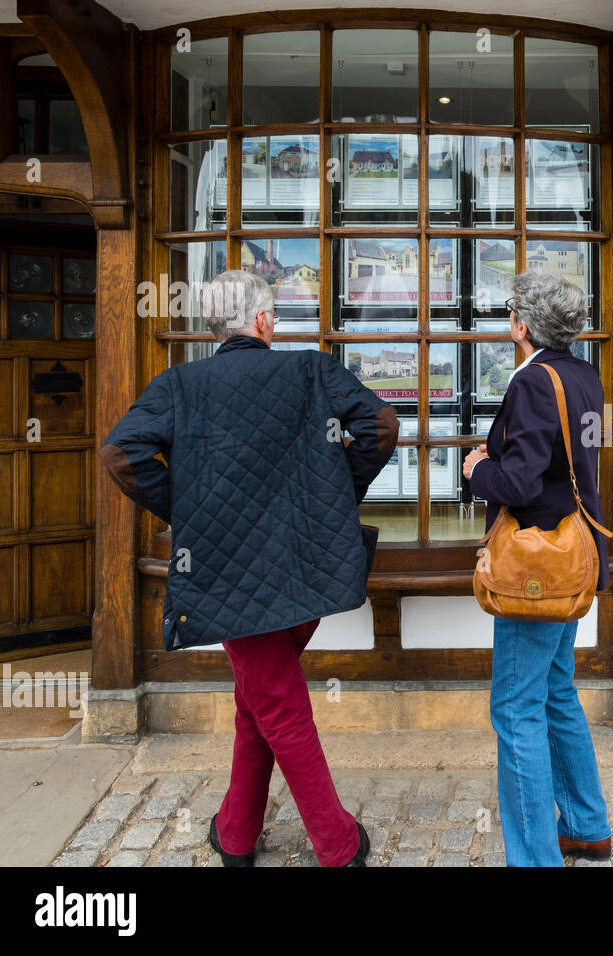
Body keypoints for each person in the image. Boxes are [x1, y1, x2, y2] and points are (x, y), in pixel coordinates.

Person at [98, 269, 397, 867]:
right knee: (268, 700)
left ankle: (277, 840)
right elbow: (381, 427)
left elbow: (120, 453)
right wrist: (334, 498)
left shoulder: (178, 383)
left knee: (267, 698)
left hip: (226, 568)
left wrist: (187, 508)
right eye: (275, 317)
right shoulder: (310, 370)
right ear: (261, 322)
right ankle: (291, 839)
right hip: (306, 564)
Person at [463, 271, 611, 867]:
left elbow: (521, 482)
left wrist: (478, 469)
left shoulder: (532, 383)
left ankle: (535, 859)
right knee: (555, 692)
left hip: (534, 564)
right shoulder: (583, 375)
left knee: (516, 707)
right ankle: (586, 825)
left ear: (521, 326)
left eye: (509, 314)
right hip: (570, 555)